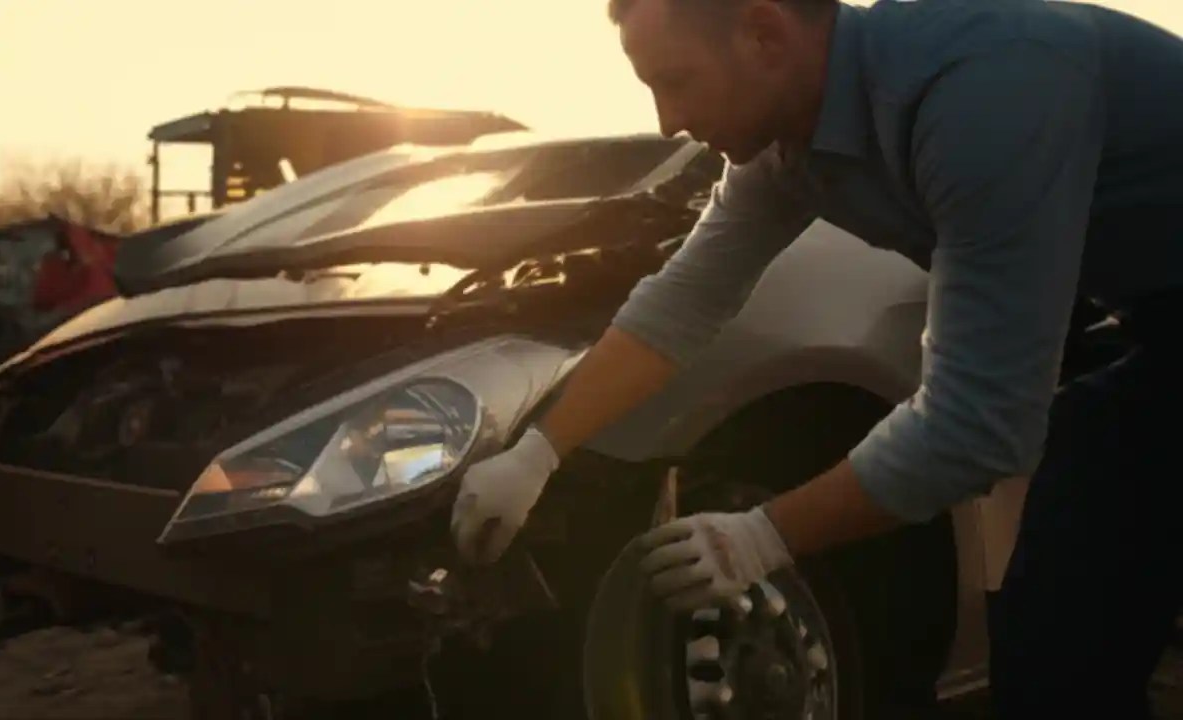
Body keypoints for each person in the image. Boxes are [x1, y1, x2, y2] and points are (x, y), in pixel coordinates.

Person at [448, 0, 1183, 716]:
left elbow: (979, 426)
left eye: (674, 82)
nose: (666, 121)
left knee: (1073, 553)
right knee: (1063, 601)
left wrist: (761, 537)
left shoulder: (980, 92)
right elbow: (683, 303)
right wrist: (539, 452)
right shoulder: (786, 147)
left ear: (765, 35)